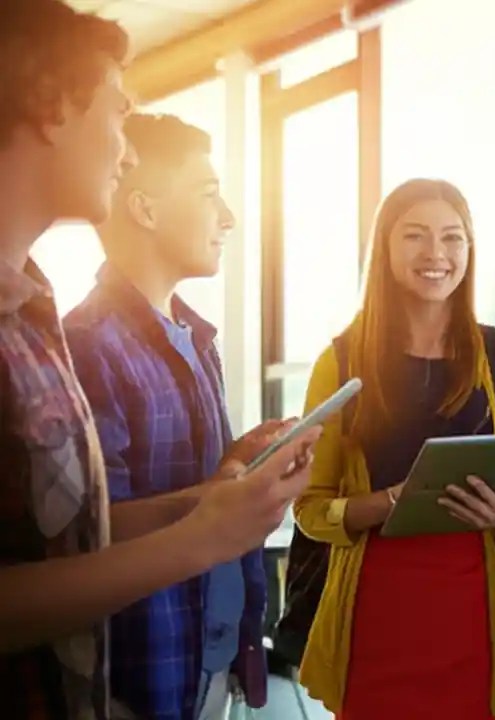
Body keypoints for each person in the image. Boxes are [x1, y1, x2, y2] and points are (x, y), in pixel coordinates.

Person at [0, 3, 318, 719]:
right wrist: (203, 535)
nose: (128, 148)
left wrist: (215, 498)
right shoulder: (78, 333)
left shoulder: (33, 315)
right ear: (52, 107)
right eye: (118, 113)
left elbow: (75, 529)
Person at [293, 178, 495, 720]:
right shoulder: (340, 362)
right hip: (376, 617)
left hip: (476, 618)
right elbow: (310, 510)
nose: (436, 254)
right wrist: (387, 501)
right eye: (415, 236)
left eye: (453, 238)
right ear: (385, 248)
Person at [64, 113, 286, 720]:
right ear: (145, 209)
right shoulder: (86, 347)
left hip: (208, 660)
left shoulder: (197, 337)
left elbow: (209, 488)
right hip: (143, 676)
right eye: (209, 194)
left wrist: (247, 458)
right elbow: (90, 533)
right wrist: (215, 499)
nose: (229, 219)